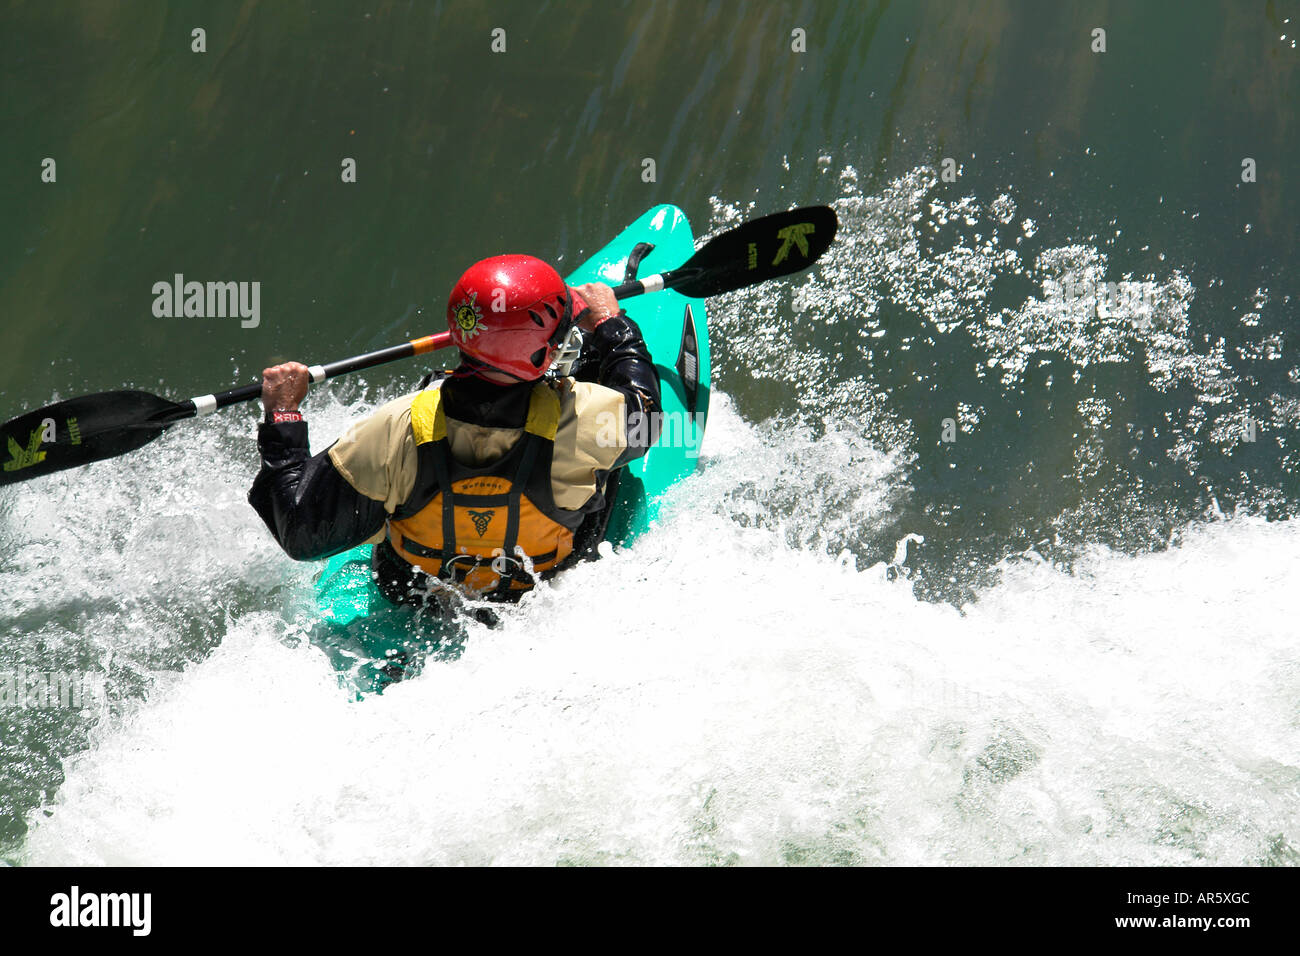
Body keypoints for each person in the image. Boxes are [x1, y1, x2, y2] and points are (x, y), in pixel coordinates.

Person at [248, 254, 661, 614]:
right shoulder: (585, 415)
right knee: (613, 463)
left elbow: (300, 533)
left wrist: (283, 414)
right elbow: (649, 419)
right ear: (542, 355)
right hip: (540, 593)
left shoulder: (394, 426)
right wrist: (612, 326)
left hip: (415, 595)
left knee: (378, 487)